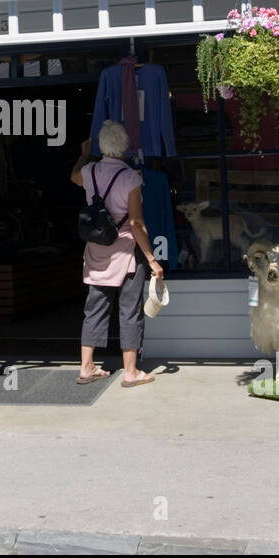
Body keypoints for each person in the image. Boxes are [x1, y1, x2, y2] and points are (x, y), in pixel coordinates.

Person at [70, 120, 163, 387]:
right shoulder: (131, 178)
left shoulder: (89, 171)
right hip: (125, 254)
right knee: (129, 310)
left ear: (103, 145)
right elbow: (135, 223)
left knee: (94, 308)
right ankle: (131, 372)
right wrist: (152, 259)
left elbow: (73, 176)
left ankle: (86, 367)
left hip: (96, 252)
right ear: (124, 147)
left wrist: (84, 154)